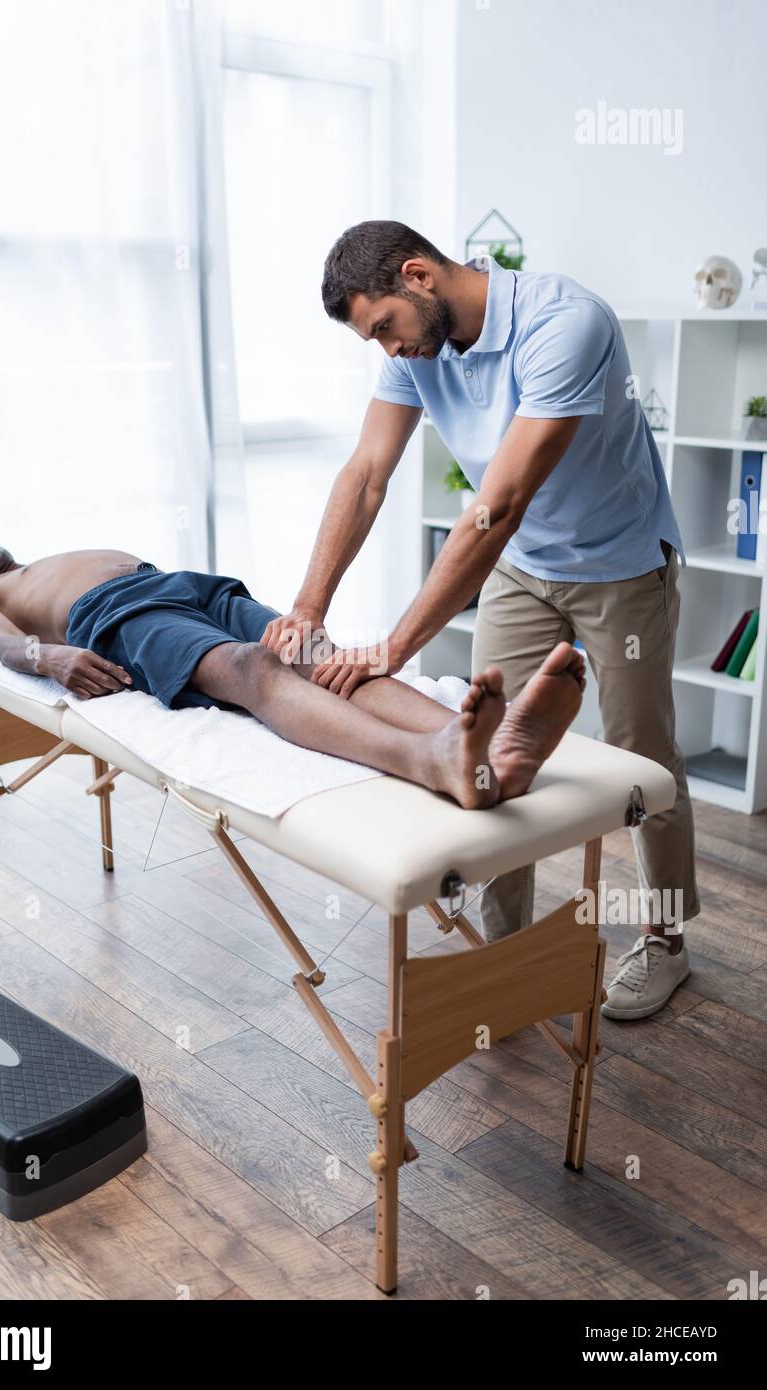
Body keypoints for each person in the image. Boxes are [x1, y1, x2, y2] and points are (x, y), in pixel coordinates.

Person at [259, 219, 696, 1019]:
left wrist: (391, 647)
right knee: (492, 751)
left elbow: (495, 507)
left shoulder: (565, 324)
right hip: (522, 571)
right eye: (372, 339)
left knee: (643, 757)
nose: (387, 350)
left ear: (419, 277)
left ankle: (665, 940)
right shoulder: (416, 352)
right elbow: (364, 476)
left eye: (383, 327)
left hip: (618, 566)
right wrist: (308, 606)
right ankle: (508, 956)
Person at [0, 539, 586, 811]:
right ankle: (428, 760)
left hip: (188, 586)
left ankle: (486, 747)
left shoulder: (39, 558)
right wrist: (53, 659)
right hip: (118, 615)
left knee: (321, 655)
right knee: (253, 668)